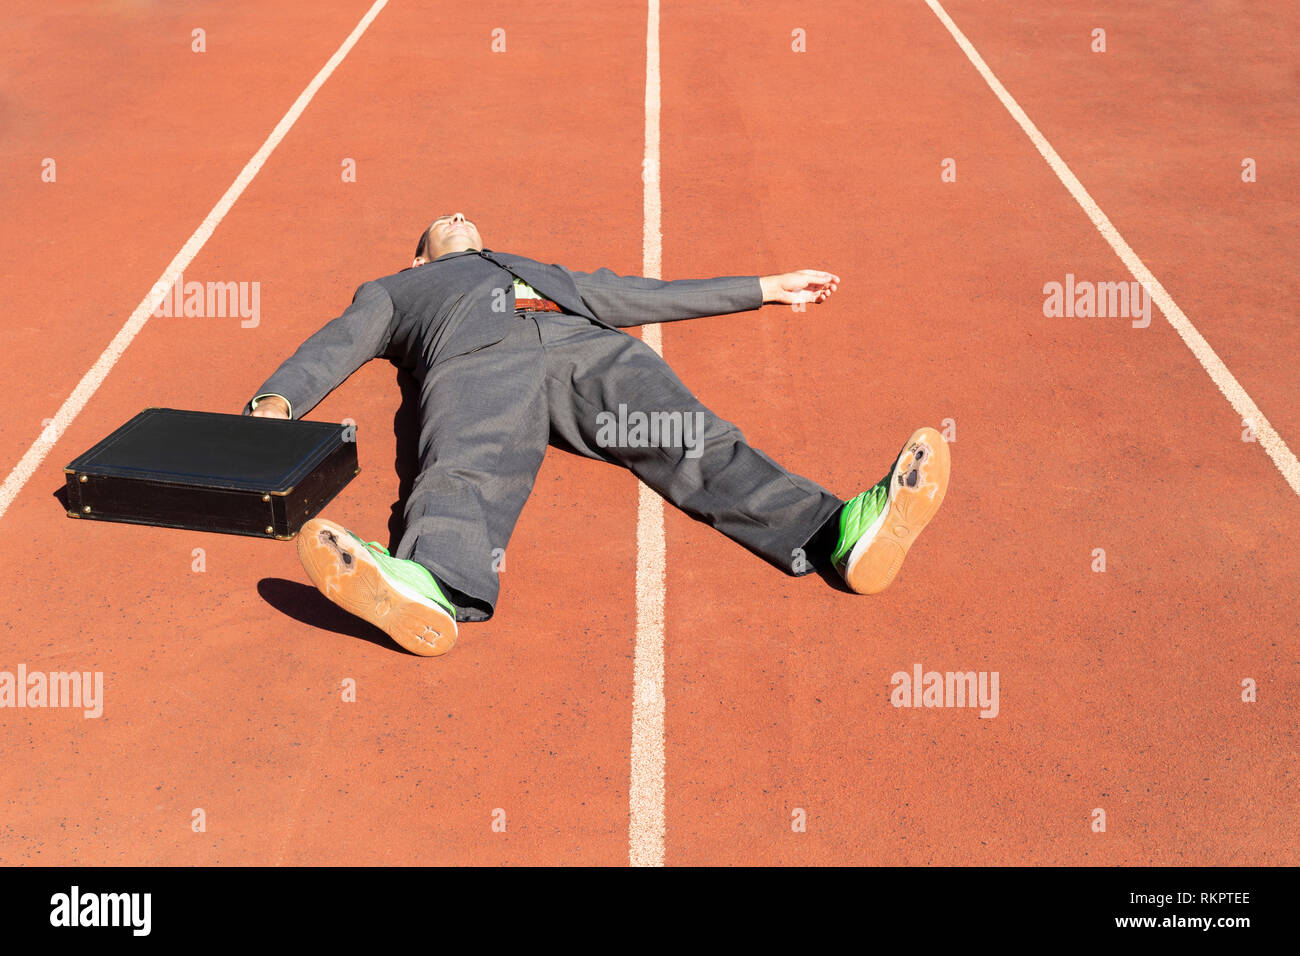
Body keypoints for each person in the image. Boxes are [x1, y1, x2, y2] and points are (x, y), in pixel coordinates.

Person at [243, 213, 950, 656]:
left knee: (695, 441)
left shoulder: (540, 271)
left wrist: (762, 287)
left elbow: (638, 293)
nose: (457, 216)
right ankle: (426, 583)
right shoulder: (395, 289)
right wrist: (278, 402)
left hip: (591, 355)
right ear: (421, 258)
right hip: (477, 362)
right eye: (440, 220)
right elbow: (338, 342)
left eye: (465, 215)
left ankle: (838, 532)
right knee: (463, 466)